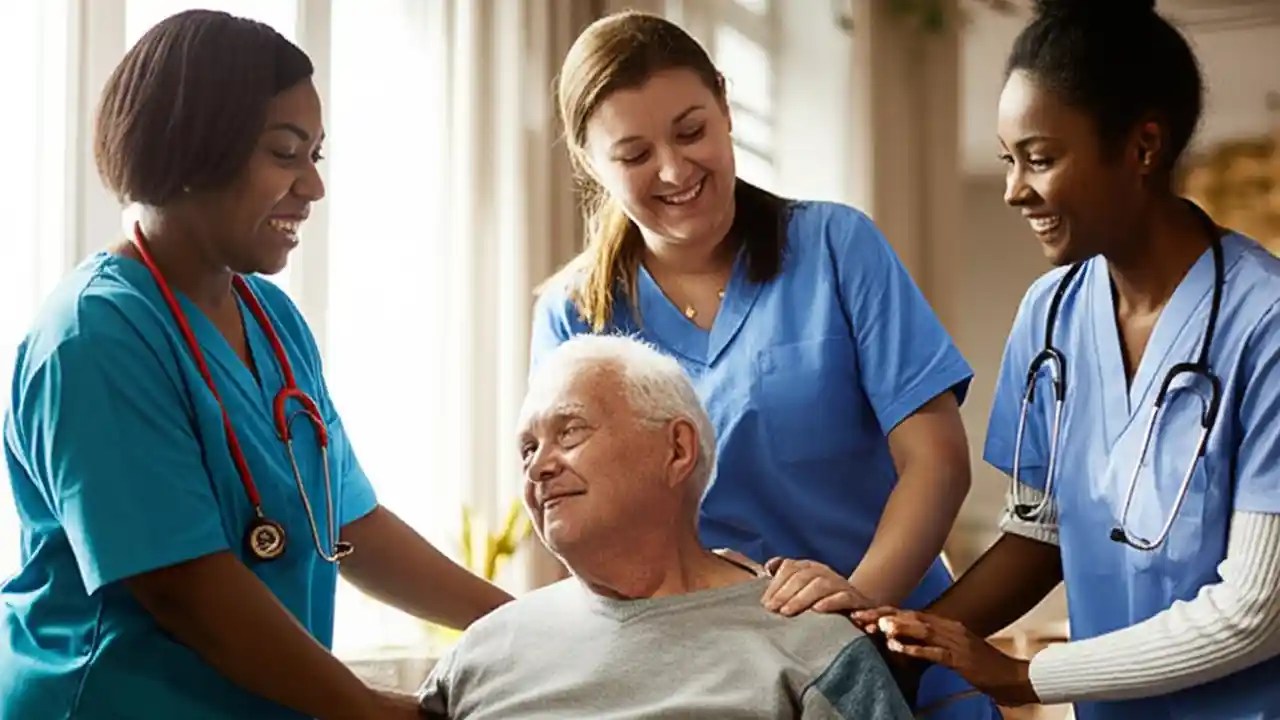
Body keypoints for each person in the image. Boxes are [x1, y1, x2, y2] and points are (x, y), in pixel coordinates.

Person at [0, 11, 510, 720]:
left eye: (315, 156)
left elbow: (350, 525)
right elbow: (187, 588)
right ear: (192, 145)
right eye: (285, 153)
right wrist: (371, 711)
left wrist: (524, 629)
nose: (313, 187)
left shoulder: (273, 320)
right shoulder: (93, 336)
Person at [529, 10, 997, 718]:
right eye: (634, 154)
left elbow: (936, 461)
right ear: (591, 162)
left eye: (691, 131)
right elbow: (577, 526)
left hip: (895, 646)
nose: (674, 169)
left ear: (724, 105)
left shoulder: (837, 246)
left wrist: (854, 609)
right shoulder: (574, 316)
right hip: (719, 676)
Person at [836, 1, 1280, 719]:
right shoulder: (1051, 315)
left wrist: (1026, 675)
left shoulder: (1265, 325)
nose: (1014, 190)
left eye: (1039, 159)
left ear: (1143, 147)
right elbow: (1040, 532)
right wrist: (904, 648)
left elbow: (1258, 609)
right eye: (1008, 160)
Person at [417, 334, 914, 719]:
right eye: (528, 449)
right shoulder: (482, 651)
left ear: (677, 450)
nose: (539, 467)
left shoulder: (811, 645)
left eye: (569, 432)